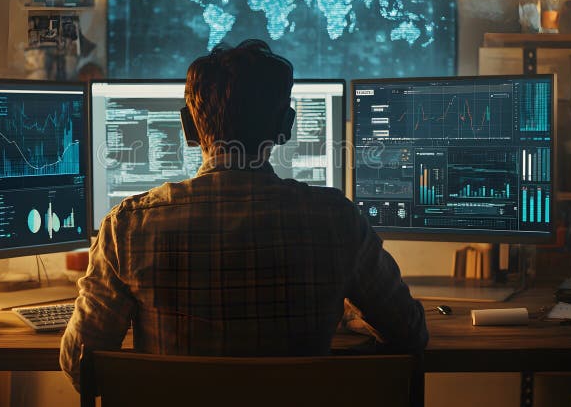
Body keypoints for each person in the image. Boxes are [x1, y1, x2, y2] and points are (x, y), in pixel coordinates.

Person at [60, 39, 427, 389]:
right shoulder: (338, 221)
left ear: (188, 127)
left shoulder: (126, 227)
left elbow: (82, 363)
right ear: (286, 126)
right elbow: (410, 333)